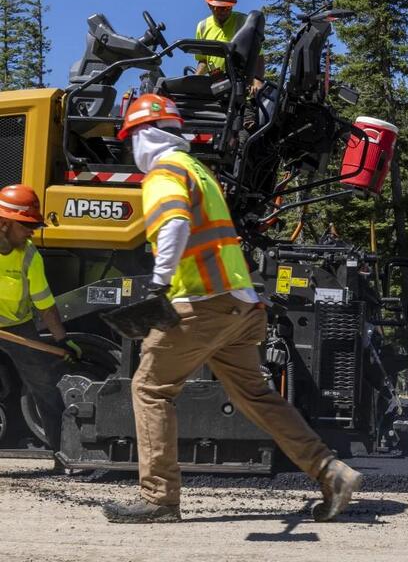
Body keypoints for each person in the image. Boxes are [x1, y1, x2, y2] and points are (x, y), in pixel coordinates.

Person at [102, 94, 361, 523]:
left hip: (200, 303)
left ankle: (158, 499)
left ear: (142, 136)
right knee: (257, 396)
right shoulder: (199, 171)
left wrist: (158, 284)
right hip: (241, 305)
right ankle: (330, 471)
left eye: (131, 140)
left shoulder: (164, 173)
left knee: (150, 389)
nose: (132, 151)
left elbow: (175, 224)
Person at [0, 185, 81, 459]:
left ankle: (64, 454)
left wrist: (62, 339)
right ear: (4, 224)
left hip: (17, 327)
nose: (31, 232)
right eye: (26, 226)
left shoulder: (30, 255)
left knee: (45, 386)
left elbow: (45, 304)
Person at [194, 0, 266, 134]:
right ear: (210, 6)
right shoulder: (203, 27)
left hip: (240, 82)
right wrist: (195, 79)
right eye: (219, 8)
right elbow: (203, 60)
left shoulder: (244, 23)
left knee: (244, 126)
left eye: (227, 8)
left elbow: (258, 56)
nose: (224, 11)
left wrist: (257, 80)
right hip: (216, 81)